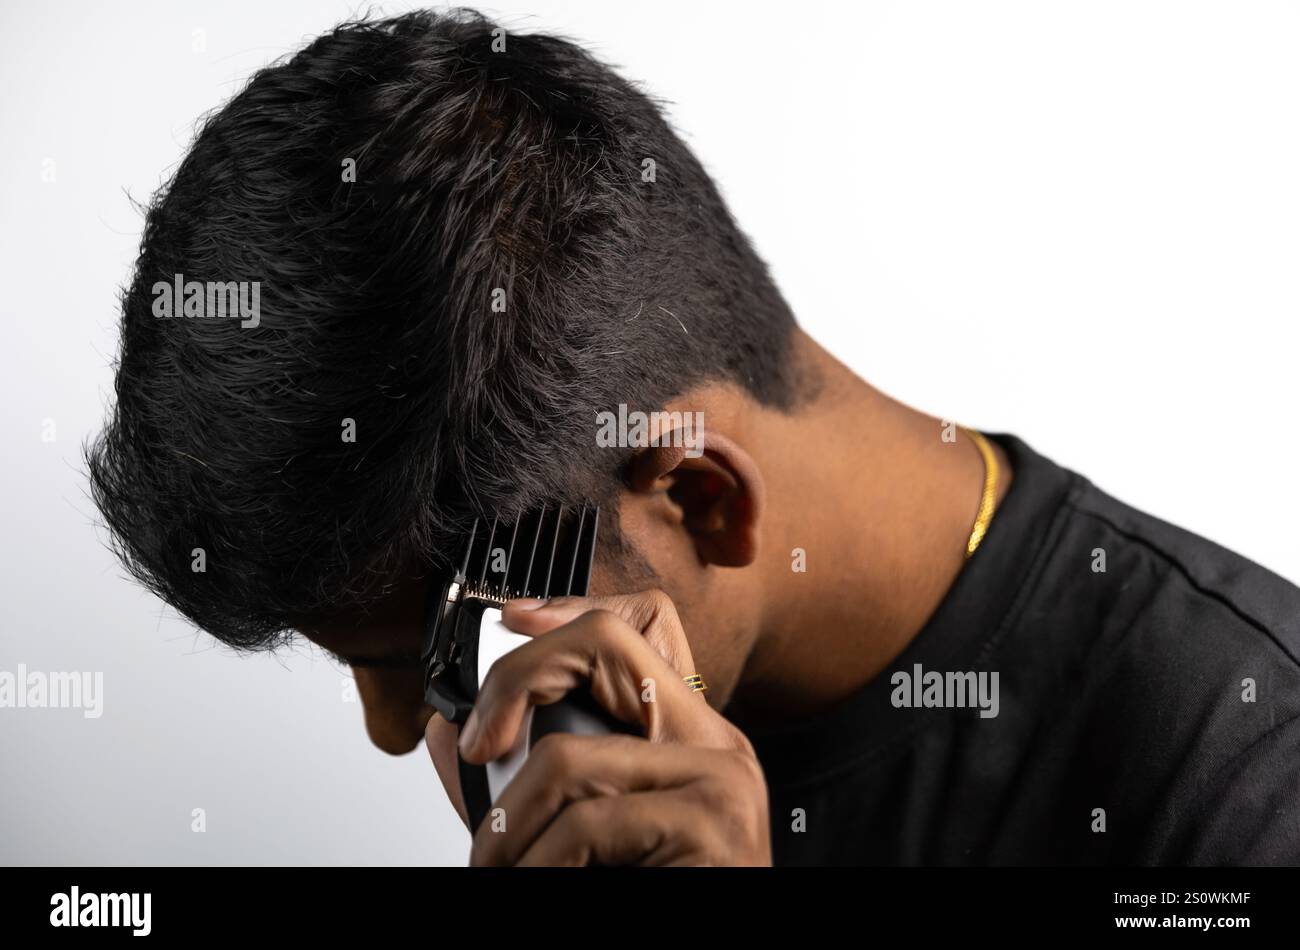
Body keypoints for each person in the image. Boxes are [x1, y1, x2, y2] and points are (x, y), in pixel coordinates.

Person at [88, 9, 1300, 865]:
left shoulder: (1243, 775)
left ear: (705, 497)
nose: (394, 732)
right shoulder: (582, 743)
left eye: (426, 657)